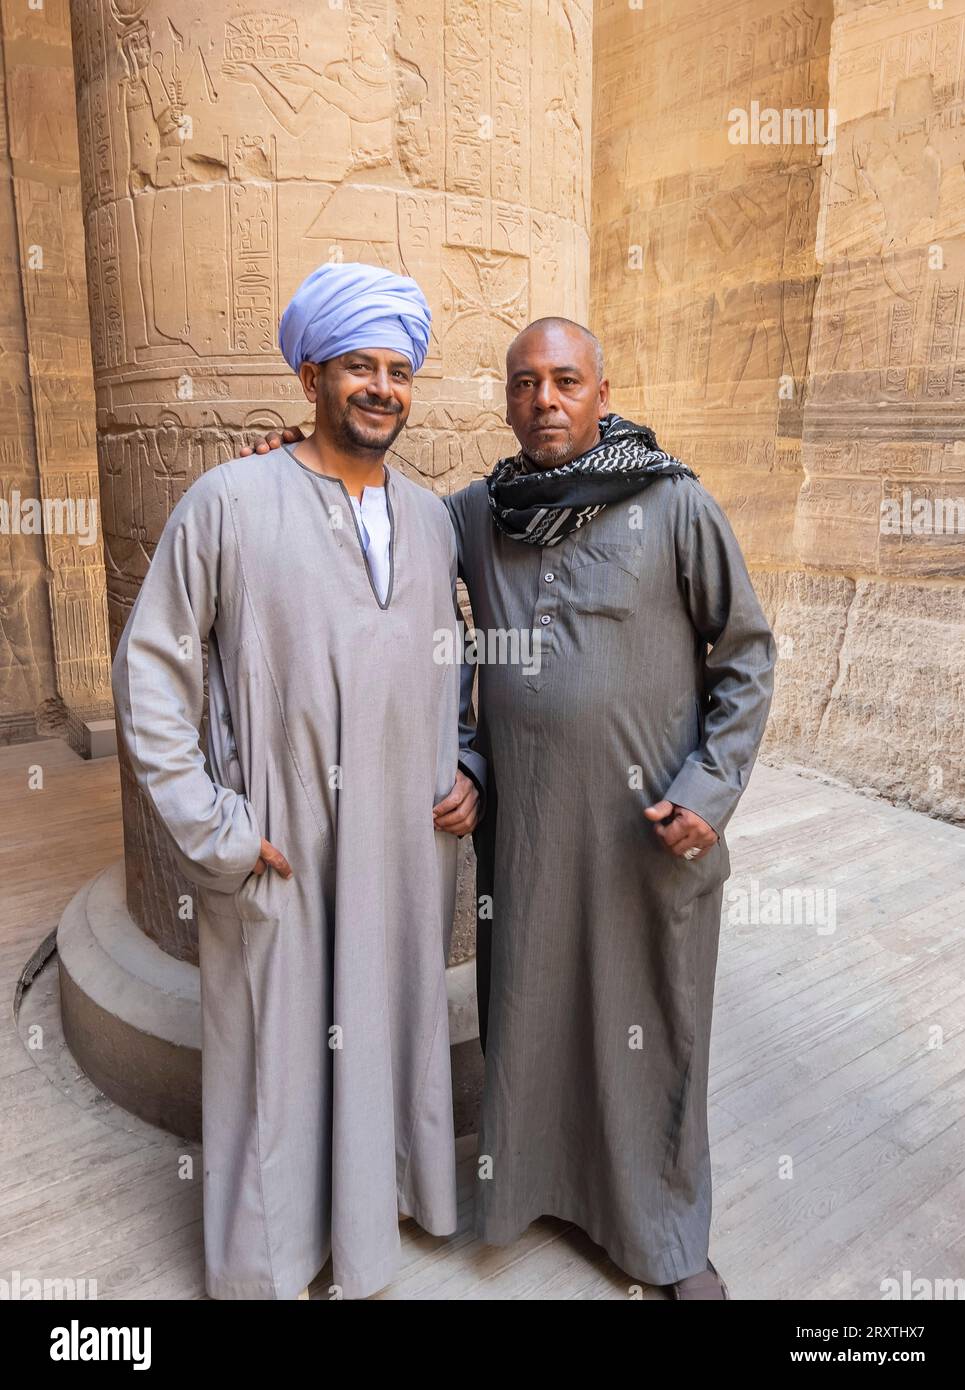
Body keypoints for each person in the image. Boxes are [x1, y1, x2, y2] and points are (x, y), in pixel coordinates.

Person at [243, 314, 777, 1300]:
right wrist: (298, 460)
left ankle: (665, 1237)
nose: (545, 401)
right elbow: (380, 513)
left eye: (566, 381)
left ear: (602, 395)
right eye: (525, 383)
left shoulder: (675, 504)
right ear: (506, 398)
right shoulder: (480, 513)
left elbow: (745, 655)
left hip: (649, 835)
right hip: (527, 834)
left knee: (654, 1025)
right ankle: (532, 1192)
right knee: (530, 1014)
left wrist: (709, 792)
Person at [112, 261, 484, 1301]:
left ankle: (374, 1232)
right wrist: (216, 828)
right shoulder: (230, 500)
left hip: (406, 847)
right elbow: (152, 671)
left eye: (398, 369)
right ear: (311, 374)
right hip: (280, 845)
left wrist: (469, 765)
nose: (382, 386)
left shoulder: (431, 521)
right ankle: (271, 1265)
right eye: (358, 364)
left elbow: (450, 661)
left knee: (380, 1033)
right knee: (278, 1060)